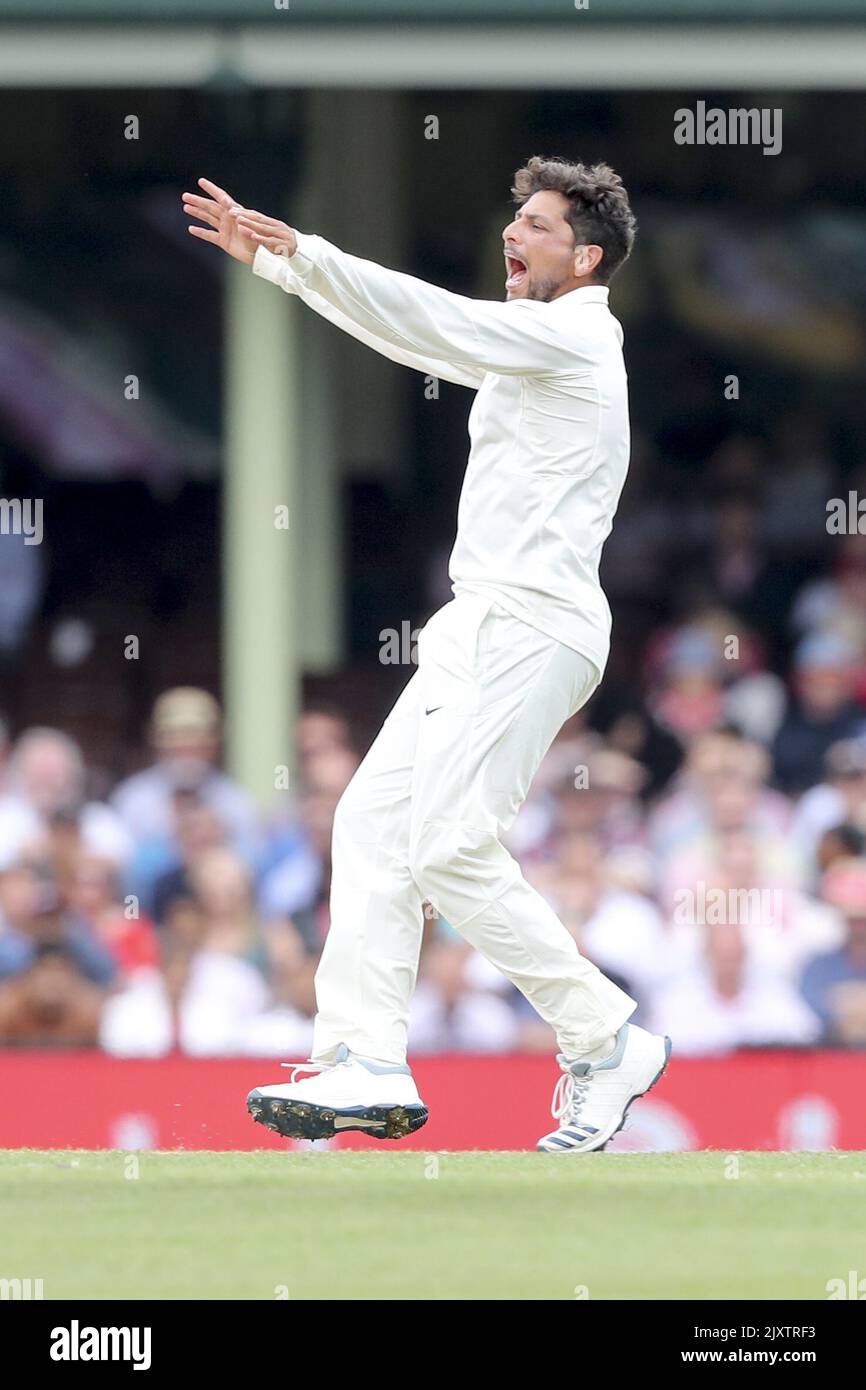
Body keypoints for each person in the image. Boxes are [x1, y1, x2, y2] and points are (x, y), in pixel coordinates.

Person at [183, 157, 671, 1154]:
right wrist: (287, 275)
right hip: (481, 619)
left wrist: (299, 251)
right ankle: (363, 1055)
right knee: (369, 822)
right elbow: (421, 337)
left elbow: (431, 322)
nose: (513, 233)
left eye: (534, 225)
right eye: (514, 219)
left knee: (447, 843)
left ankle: (602, 1034)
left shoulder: (574, 334)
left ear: (584, 257)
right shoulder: (529, 339)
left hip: (531, 620)